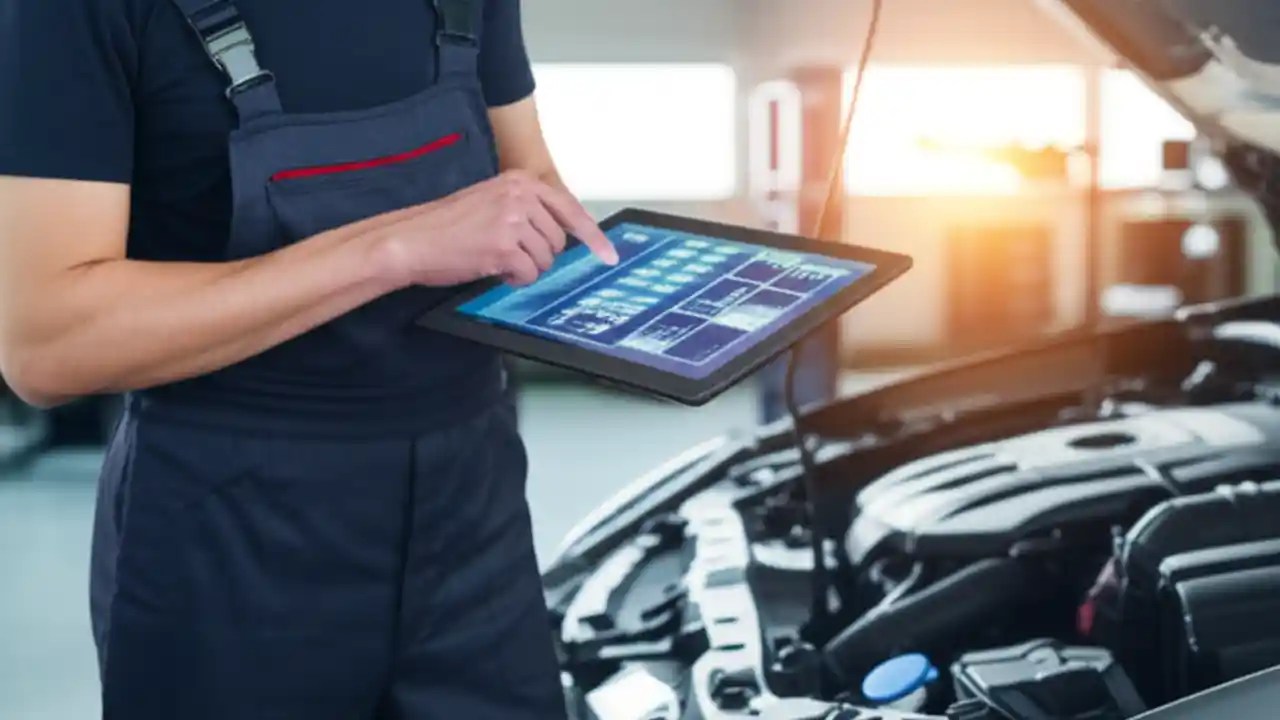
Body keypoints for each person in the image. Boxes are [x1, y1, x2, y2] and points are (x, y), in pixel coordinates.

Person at [0, 0, 617, 717]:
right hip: (229, 531)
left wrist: (652, 307)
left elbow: (529, 184)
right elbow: (46, 343)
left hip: (474, 506)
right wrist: (393, 250)